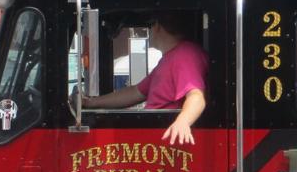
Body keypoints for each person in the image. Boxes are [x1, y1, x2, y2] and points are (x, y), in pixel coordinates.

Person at [82, 12, 208, 145]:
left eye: (149, 25)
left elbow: (196, 96)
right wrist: (91, 103)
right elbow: (135, 92)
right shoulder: (169, 59)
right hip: (153, 138)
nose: (148, 30)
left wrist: (182, 121)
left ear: (157, 26)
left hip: (168, 141)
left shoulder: (184, 55)